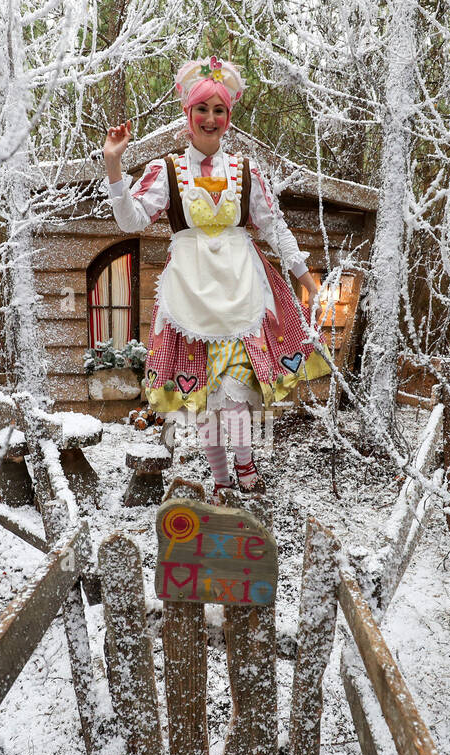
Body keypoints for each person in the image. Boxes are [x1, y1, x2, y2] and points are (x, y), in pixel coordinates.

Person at [101, 55, 332, 495]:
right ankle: (221, 479)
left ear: (228, 117)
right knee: (204, 398)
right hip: (191, 293)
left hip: (242, 287)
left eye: (219, 109)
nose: (210, 118)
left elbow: (273, 225)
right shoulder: (167, 170)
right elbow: (131, 221)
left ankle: (245, 468)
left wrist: (306, 279)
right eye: (202, 109)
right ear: (188, 115)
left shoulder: (246, 170)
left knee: (235, 391)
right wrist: (114, 167)